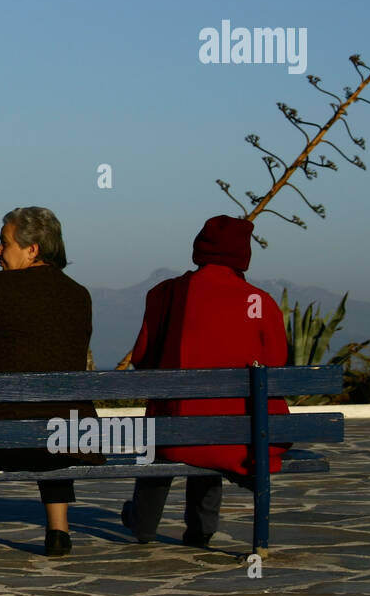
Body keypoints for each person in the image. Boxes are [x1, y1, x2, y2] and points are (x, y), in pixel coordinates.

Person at [120, 215, 289, 547]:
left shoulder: (165, 294)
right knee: (216, 426)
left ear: (199, 248)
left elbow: (142, 356)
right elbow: (277, 364)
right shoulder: (259, 302)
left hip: (174, 433)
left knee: (171, 427)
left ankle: (143, 524)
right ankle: (201, 528)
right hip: (241, 438)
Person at [0, 206, 102, 557]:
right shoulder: (79, 295)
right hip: (68, 436)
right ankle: (58, 532)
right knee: (60, 409)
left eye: (4, 243)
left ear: (32, 249)